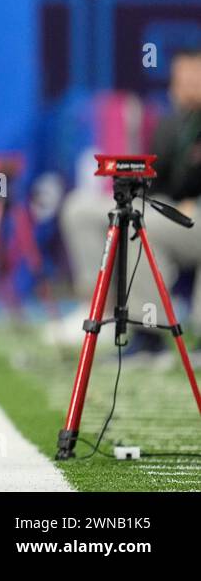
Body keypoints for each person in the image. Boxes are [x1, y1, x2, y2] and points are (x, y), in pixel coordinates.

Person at [59, 48, 201, 353]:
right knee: (81, 209)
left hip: (195, 215)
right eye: (181, 77)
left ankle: (148, 331)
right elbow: (156, 178)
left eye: (195, 76)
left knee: (136, 220)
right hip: (169, 209)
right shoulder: (170, 124)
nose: (187, 84)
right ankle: (98, 305)